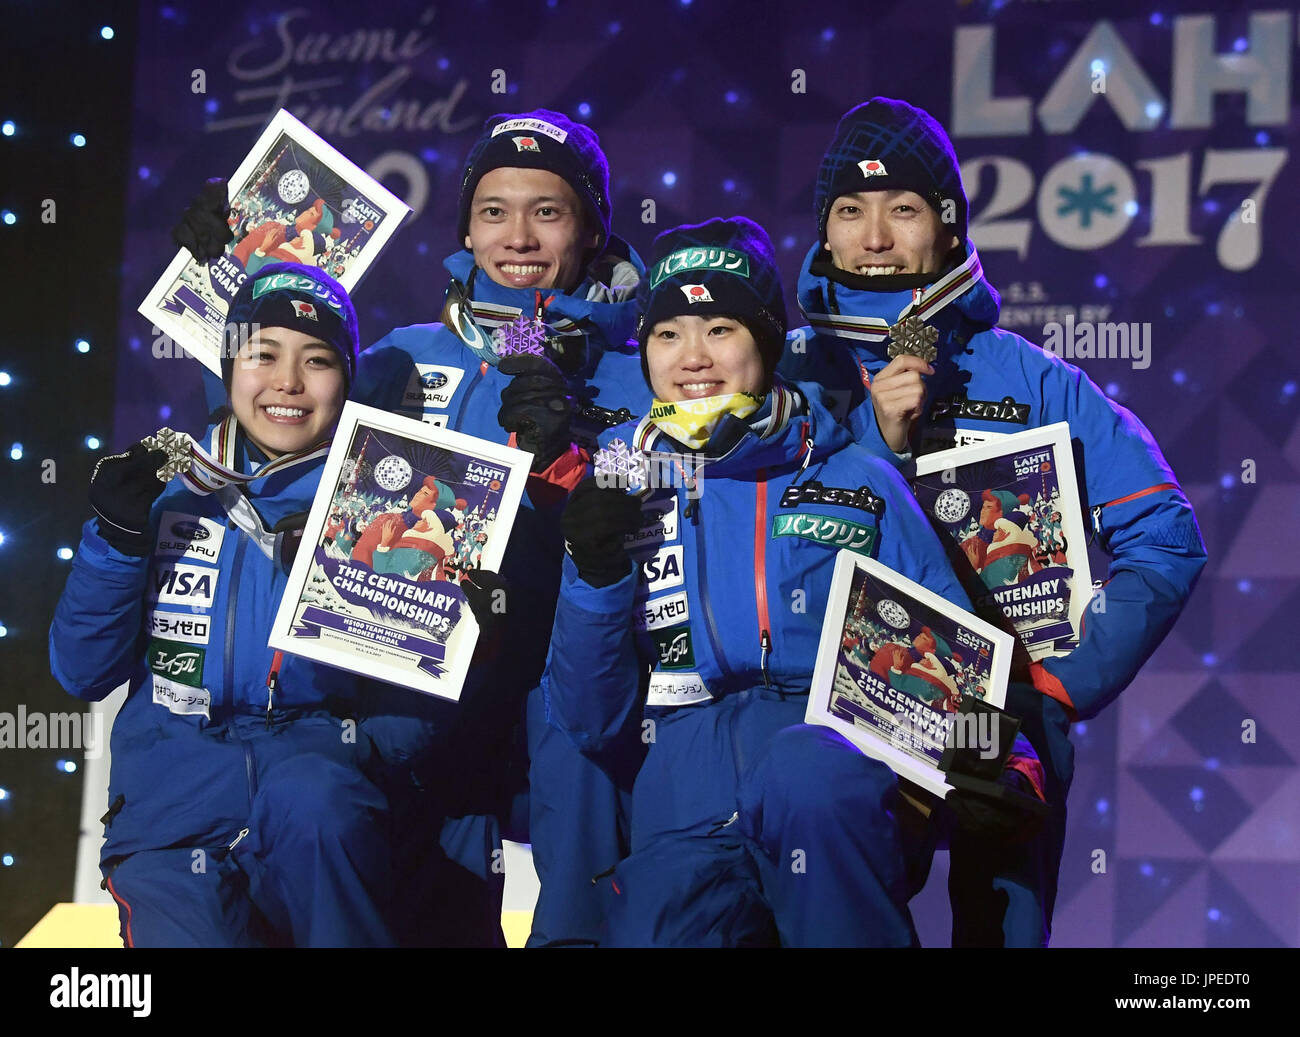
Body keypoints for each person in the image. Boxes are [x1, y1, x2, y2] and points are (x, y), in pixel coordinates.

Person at [173, 112, 653, 946]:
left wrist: (579, 458)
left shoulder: (642, 368)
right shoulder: (401, 355)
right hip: (420, 670)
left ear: (592, 227)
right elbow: (278, 431)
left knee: (581, 807)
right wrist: (222, 272)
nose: (519, 235)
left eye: (549, 210)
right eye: (495, 209)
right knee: (427, 895)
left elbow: (664, 504)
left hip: (566, 667)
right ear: (467, 225)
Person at [545, 217, 1045, 947]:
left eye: (720, 328)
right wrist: (593, 574)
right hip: (685, 798)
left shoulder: (857, 475)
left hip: (834, 779)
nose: (693, 357)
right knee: (658, 918)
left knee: (805, 771)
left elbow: (950, 648)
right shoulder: (618, 485)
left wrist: (1007, 761)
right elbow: (589, 720)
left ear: (767, 342)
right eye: (667, 334)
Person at [780, 96, 1208, 946]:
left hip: (1007, 716)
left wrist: (1066, 682)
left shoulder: (1035, 379)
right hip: (840, 707)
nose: (873, 238)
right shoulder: (784, 377)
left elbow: (1167, 535)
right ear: (823, 232)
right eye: (849, 212)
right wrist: (877, 438)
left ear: (946, 230)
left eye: (903, 210)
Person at [49, 263, 404, 946]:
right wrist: (115, 544)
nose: (288, 382)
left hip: (317, 810)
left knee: (318, 800)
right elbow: (81, 672)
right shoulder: (165, 493)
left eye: (318, 359)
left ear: (348, 380)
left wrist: (346, 595)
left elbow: (412, 725)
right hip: (173, 810)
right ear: (228, 366)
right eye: (262, 354)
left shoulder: (377, 514)